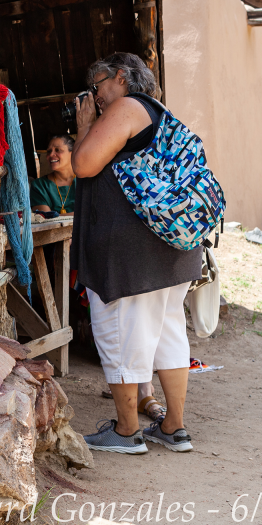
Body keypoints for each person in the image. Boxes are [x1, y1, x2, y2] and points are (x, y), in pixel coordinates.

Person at [71, 52, 200, 455]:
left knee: (121, 333)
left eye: (99, 85)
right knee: (167, 334)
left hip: (131, 252)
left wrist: (84, 126)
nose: (96, 95)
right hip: (171, 246)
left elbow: (84, 164)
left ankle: (127, 431)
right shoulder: (159, 113)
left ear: (122, 78)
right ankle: (174, 428)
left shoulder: (127, 107)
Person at [30, 135, 77, 216]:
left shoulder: (87, 181)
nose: (51, 154)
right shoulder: (39, 186)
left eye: (58, 150)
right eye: (49, 151)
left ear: (72, 153)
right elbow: (45, 218)